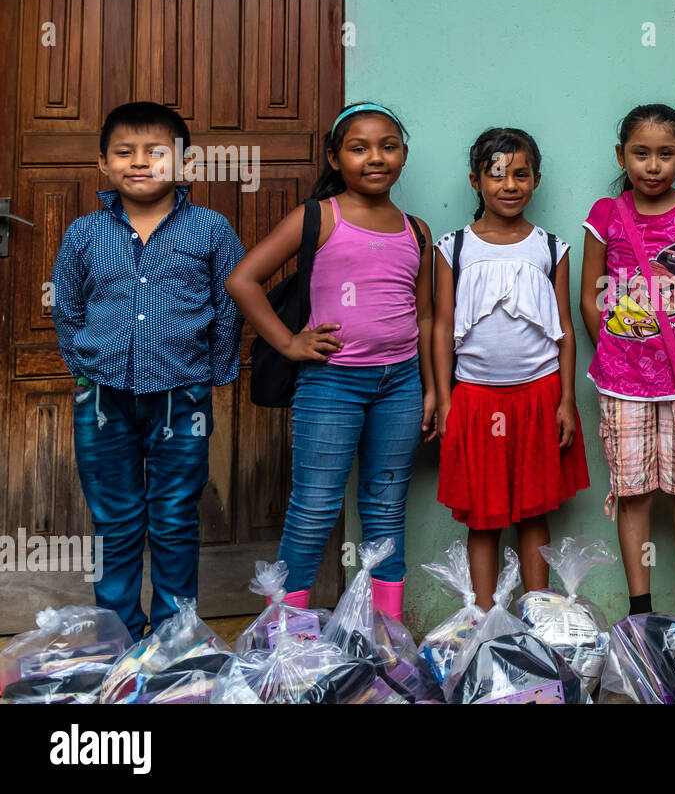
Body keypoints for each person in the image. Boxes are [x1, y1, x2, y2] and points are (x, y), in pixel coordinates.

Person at [225, 102, 435, 623]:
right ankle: (286, 637)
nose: (375, 158)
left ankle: (385, 632)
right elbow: (241, 280)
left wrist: (432, 390)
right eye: (359, 148)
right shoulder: (319, 216)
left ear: (404, 154)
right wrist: (289, 342)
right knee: (315, 507)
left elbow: (425, 317)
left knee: (386, 508)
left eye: (388, 146)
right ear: (335, 158)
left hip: (401, 384)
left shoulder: (417, 230)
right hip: (331, 384)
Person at [52, 101, 245, 639]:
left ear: (183, 162)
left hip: (181, 397)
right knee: (114, 519)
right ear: (103, 164)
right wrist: (86, 368)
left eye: (156, 152)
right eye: (125, 152)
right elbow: (66, 307)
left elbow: (229, 304)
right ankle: (117, 634)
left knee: (175, 516)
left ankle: (173, 636)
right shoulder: (84, 232)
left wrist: (210, 372)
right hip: (101, 398)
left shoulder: (210, 229)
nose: (141, 162)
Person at [579, 103, 675, 615]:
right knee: (634, 492)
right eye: (640, 154)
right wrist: (615, 351)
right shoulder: (606, 214)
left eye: (666, 154)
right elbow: (589, 298)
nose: (653, 165)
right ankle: (639, 609)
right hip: (622, 382)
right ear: (621, 156)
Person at [433, 127, 589, 609]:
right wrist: (443, 399)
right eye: (496, 174)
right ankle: (484, 618)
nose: (510, 184)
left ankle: (539, 613)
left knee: (533, 511)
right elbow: (440, 328)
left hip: (539, 396)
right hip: (476, 398)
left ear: (536, 180)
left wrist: (565, 400)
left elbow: (564, 327)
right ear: (476, 180)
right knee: (483, 516)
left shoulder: (551, 248)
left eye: (521, 174)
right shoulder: (453, 247)